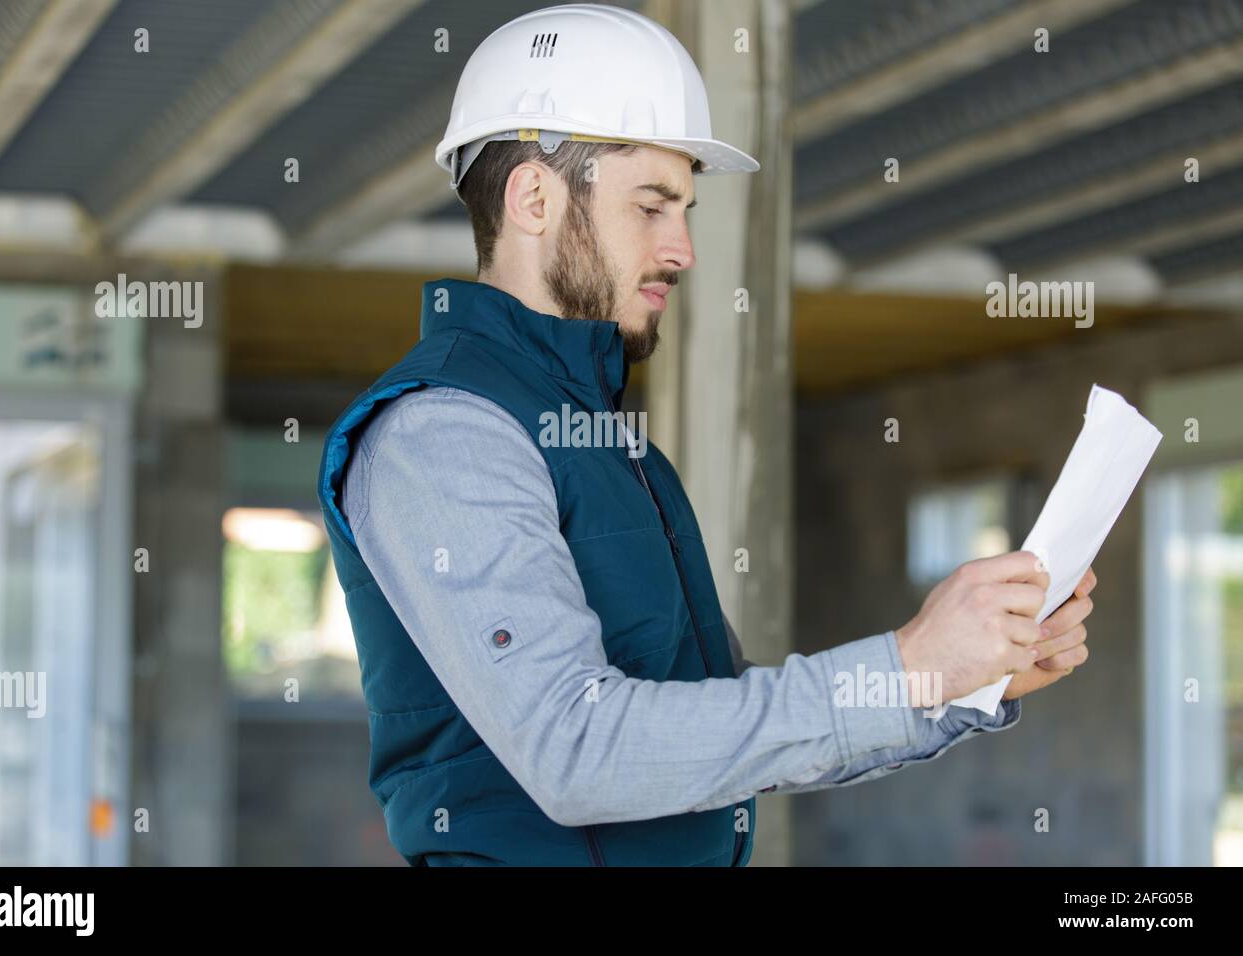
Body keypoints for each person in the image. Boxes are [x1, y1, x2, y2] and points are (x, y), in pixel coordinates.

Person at [317, 3, 1095, 867]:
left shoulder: (612, 445)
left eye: (684, 209)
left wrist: (956, 687)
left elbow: (723, 732)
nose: (683, 249)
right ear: (533, 196)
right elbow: (576, 750)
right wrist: (909, 664)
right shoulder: (444, 433)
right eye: (651, 206)